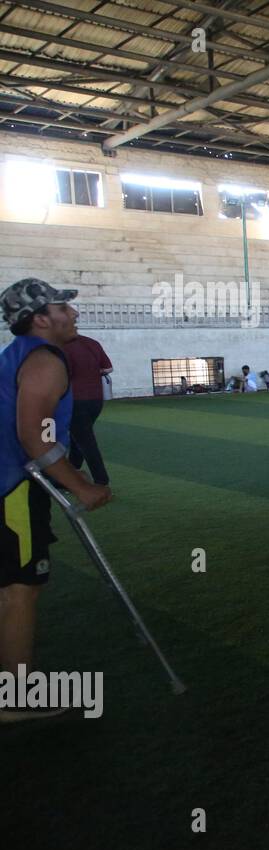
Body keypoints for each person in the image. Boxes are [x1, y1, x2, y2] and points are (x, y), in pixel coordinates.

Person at [0, 278, 112, 723]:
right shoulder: (45, 361)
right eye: (63, 307)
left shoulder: (18, 355)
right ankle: (15, 697)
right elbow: (34, 435)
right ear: (41, 319)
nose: (73, 313)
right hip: (13, 487)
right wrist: (81, 485)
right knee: (20, 588)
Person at [62, 331, 113, 486]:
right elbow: (108, 368)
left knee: (85, 441)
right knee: (78, 437)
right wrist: (92, 372)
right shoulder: (92, 343)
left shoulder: (62, 346)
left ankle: (101, 480)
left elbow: (63, 374)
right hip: (96, 400)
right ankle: (72, 471)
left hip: (75, 400)